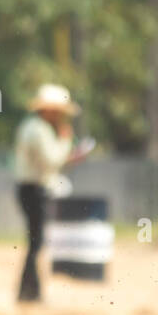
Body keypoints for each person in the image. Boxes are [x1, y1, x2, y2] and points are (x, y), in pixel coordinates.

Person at [13, 84, 92, 302]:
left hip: (30, 188)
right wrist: (66, 141)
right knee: (36, 242)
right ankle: (28, 291)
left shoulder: (33, 127)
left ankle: (30, 290)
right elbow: (52, 161)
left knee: (35, 241)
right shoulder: (39, 129)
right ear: (49, 110)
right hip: (34, 190)